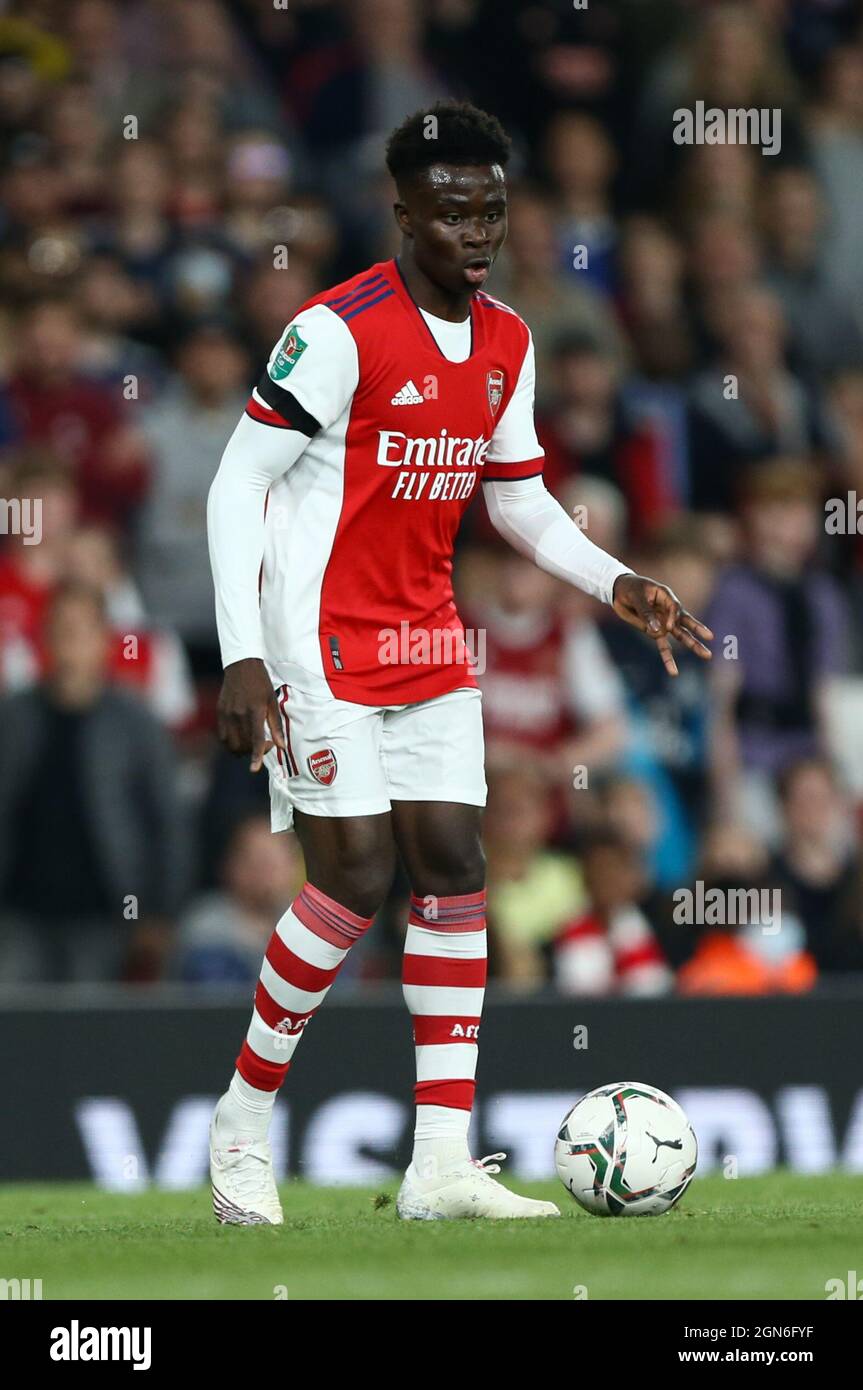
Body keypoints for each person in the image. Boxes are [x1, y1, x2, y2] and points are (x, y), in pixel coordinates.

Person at [205, 100, 713, 1226]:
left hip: (428, 633)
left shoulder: (508, 341)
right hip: (317, 636)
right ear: (402, 213)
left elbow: (518, 497)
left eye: (488, 209)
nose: (474, 230)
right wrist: (242, 655)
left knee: (452, 863)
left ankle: (440, 1161)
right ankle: (243, 1117)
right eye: (449, 211)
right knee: (351, 877)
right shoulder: (335, 332)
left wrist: (616, 580)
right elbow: (236, 482)